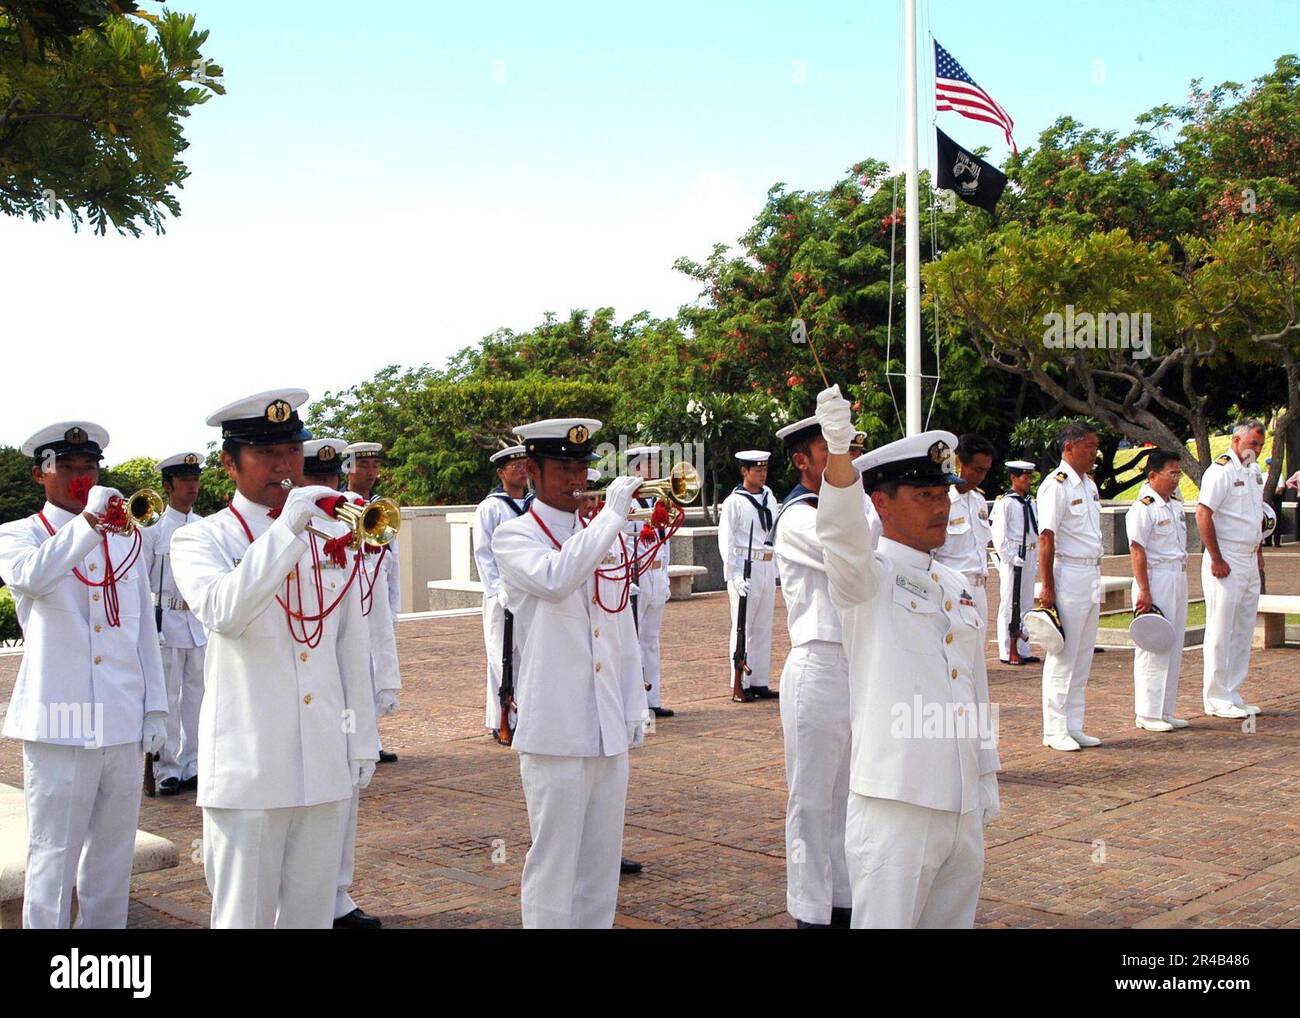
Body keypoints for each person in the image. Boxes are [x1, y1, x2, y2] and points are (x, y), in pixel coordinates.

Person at [170, 389, 378, 929]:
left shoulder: (332, 531)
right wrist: (287, 528)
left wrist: (361, 737)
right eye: (265, 453)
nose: (284, 465)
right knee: (245, 918)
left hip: (322, 758)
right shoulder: (202, 537)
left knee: (310, 917)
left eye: (291, 450)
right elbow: (224, 612)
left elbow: (349, 642)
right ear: (229, 462)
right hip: (251, 767)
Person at [813, 387, 1000, 928]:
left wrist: (986, 773)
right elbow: (841, 539)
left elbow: (975, 685)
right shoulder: (866, 578)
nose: (941, 506)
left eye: (942, 493)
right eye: (923, 495)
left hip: (960, 801)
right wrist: (840, 452)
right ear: (882, 502)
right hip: (896, 802)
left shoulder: (953, 584)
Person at [0, 421, 167, 928]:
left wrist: (155, 706)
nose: (80, 476)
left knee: (112, 856)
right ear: (40, 474)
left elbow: (142, 631)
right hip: (57, 720)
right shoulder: (19, 534)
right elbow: (32, 576)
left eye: (89, 467)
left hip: (119, 717)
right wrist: (90, 522)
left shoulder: (127, 541)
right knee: (53, 853)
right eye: (68, 467)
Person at [492, 418, 648, 928]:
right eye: (563, 467)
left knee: (600, 863)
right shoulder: (513, 535)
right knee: (555, 861)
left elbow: (619, 623)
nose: (576, 477)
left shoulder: (594, 534)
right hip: (555, 725)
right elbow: (557, 578)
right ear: (532, 471)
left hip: (604, 721)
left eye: (581, 466)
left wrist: (633, 705)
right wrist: (610, 522)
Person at [299, 438, 394, 930]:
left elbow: (376, 609)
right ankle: (305, 897)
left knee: (346, 794)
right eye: (316, 479)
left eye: (332, 478)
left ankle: (337, 893)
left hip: (344, 682)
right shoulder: (284, 533)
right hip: (299, 684)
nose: (326, 488)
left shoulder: (355, 529)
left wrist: (386, 679)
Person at [771, 414, 852, 929]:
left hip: (857, 663)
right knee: (812, 800)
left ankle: (843, 902)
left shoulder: (847, 503)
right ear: (802, 460)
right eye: (830, 449)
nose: (841, 458)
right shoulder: (797, 517)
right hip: (818, 662)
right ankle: (809, 912)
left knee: (850, 796)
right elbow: (846, 555)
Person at [141, 451, 208, 796]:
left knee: (197, 696)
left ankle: (193, 762)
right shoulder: (152, 534)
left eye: (195, 479)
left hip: (196, 621)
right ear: (168, 486)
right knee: (166, 695)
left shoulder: (204, 528)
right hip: (166, 621)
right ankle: (166, 767)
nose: (192, 486)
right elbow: (143, 583)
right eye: (185, 480)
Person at [1037, 422, 1104, 752]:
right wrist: (1047, 586)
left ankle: (1074, 724)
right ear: (1069, 448)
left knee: (1083, 653)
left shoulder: (1088, 485)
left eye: (1095, 447)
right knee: (1063, 654)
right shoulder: (1056, 485)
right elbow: (1046, 538)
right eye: (1088, 447)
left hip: (1091, 573)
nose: (1094, 453)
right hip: (1069, 574)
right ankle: (1054, 728)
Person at [1198, 420, 1268, 719]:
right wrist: (1215, 557)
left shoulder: (1253, 472)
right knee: (1220, 628)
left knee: (1242, 629)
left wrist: (1259, 551)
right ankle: (1215, 696)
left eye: (1260, 445)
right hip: (1225, 557)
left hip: (1248, 556)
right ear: (1236, 440)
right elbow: (1203, 513)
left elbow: (1254, 515)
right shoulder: (1221, 470)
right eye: (1253, 443)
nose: (1256, 449)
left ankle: (1232, 691)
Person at [344, 441, 401, 764]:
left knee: (372, 672)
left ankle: (372, 738)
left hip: (375, 604)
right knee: (350, 674)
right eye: (363, 465)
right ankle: (352, 737)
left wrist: (394, 610)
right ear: (348, 467)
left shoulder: (382, 509)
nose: (370, 472)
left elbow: (394, 565)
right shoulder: (339, 506)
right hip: (349, 601)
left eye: (374, 465)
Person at [1125, 450, 1189, 733]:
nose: (1176, 479)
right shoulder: (1143, 507)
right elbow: (1137, 550)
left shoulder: (1174, 504)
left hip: (1176, 574)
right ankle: (1148, 712)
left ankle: (1165, 709)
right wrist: (1144, 590)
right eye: (1171, 473)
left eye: (1178, 473)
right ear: (1153, 475)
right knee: (1152, 645)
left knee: (1173, 642)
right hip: (1155, 577)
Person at [474, 445, 532, 742]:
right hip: (501, 595)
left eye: (524, 464)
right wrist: (498, 591)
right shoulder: (491, 507)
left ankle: (521, 716)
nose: (521, 470)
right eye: (514, 466)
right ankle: (502, 718)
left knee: (525, 655)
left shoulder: (534, 504)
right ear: (501, 472)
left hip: (528, 592)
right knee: (500, 655)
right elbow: (483, 553)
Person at [718, 450, 779, 701]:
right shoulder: (735, 501)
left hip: (766, 565)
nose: (762, 474)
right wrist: (732, 574)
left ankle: (759, 681)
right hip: (745, 567)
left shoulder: (769, 496)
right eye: (757, 470)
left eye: (764, 470)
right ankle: (739, 683)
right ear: (744, 471)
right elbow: (726, 539)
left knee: (763, 627)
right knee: (743, 627)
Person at [625, 444, 674, 718]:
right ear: (636, 469)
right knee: (633, 639)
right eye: (648, 464)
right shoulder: (629, 503)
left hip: (655, 575)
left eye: (655, 463)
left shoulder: (658, 501)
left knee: (651, 639)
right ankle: (635, 700)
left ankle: (652, 698)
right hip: (637, 575)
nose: (654, 469)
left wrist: (664, 575)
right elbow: (622, 540)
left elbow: (664, 542)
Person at [934, 435, 995, 626]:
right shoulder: (941, 502)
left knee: (977, 652)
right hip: (951, 587)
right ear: (959, 463)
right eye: (977, 470)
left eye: (985, 471)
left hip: (979, 587)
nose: (981, 477)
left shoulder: (979, 501)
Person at [989, 460, 1040, 665]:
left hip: (1030, 554)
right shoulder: (1006, 503)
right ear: (1013, 478)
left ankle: (1023, 648)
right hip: (1014, 556)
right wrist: (1010, 557)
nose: (1028, 481)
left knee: (1026, 602)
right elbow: (998, 535)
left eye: (1029, 477)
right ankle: (1007, 650)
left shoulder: (1031, 502)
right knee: (1010, 604)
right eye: (1024, 477)